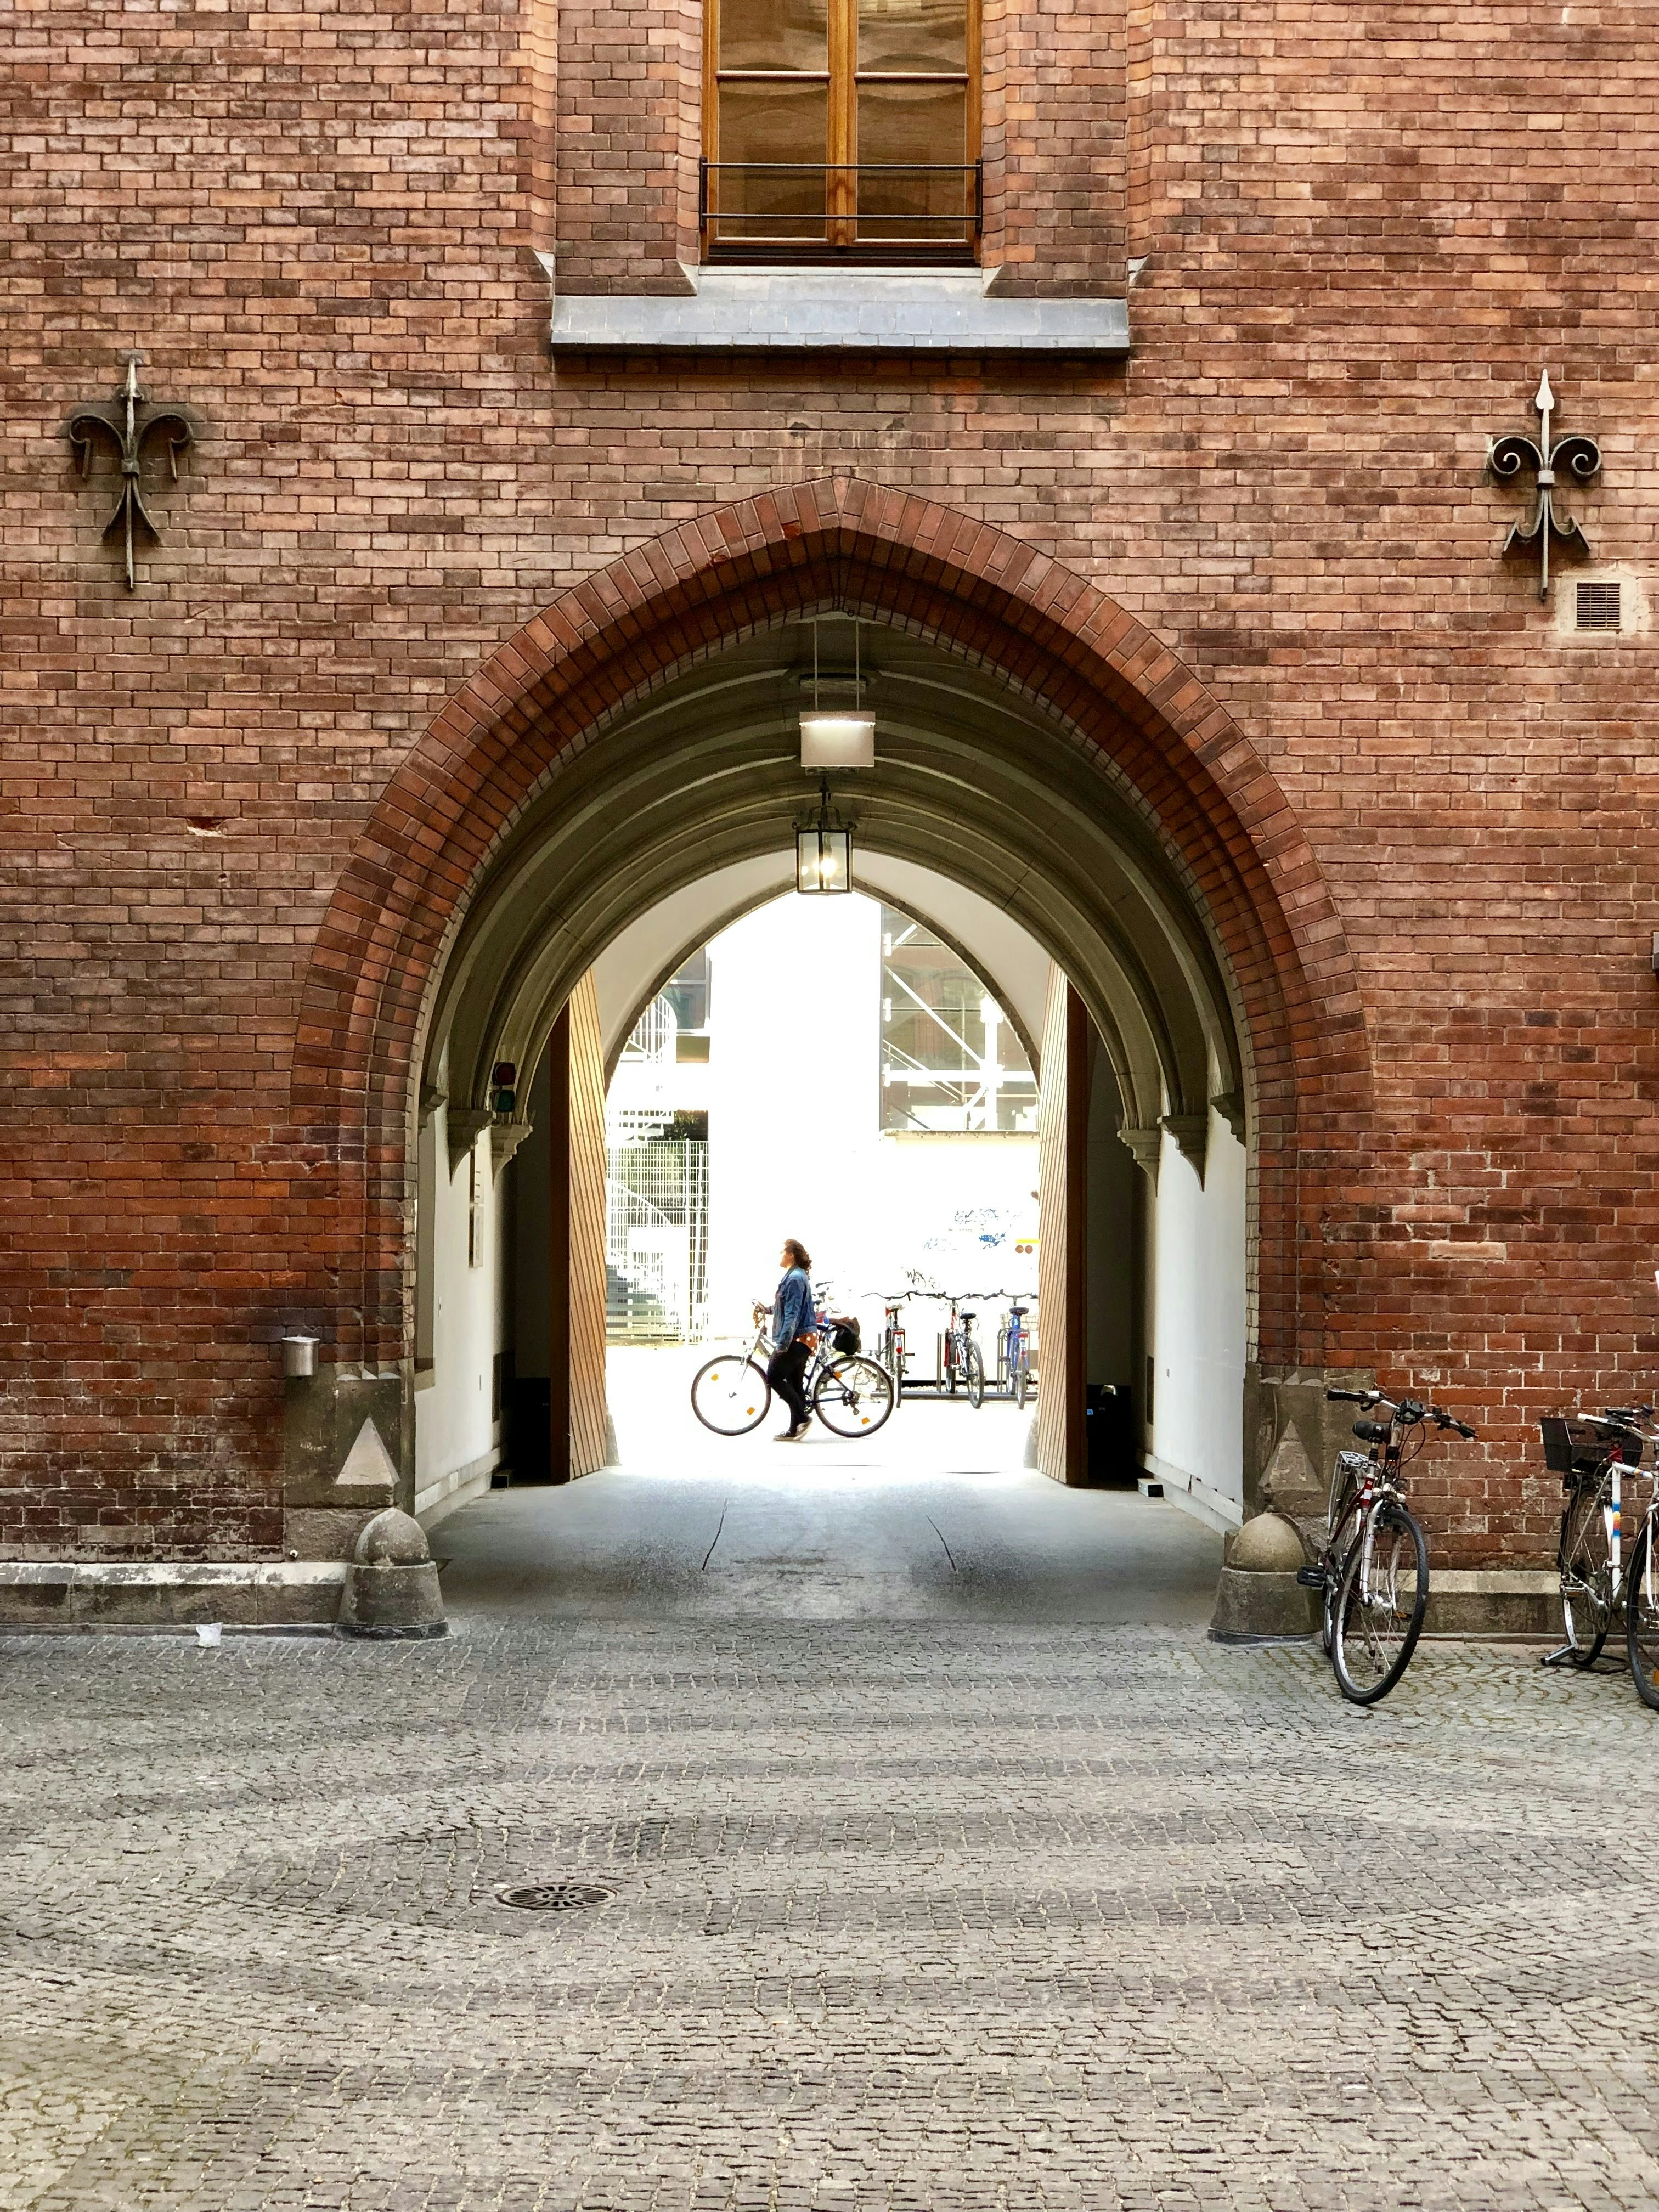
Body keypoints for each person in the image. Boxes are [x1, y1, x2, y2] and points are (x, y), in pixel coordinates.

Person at [768, 1238, 818, 1442]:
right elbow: (784, 1306)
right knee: (794, 1384)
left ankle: (803, 1418)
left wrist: (782, 1345)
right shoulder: (794, 1277)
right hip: (802, 1338)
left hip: (799, 1339)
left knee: (773, 1376)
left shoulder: (796, 1278)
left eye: (782, 1252)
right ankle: (794, 1429)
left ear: (791, 1255)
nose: (780, 1256)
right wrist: (768, 1310)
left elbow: (792, 1313)